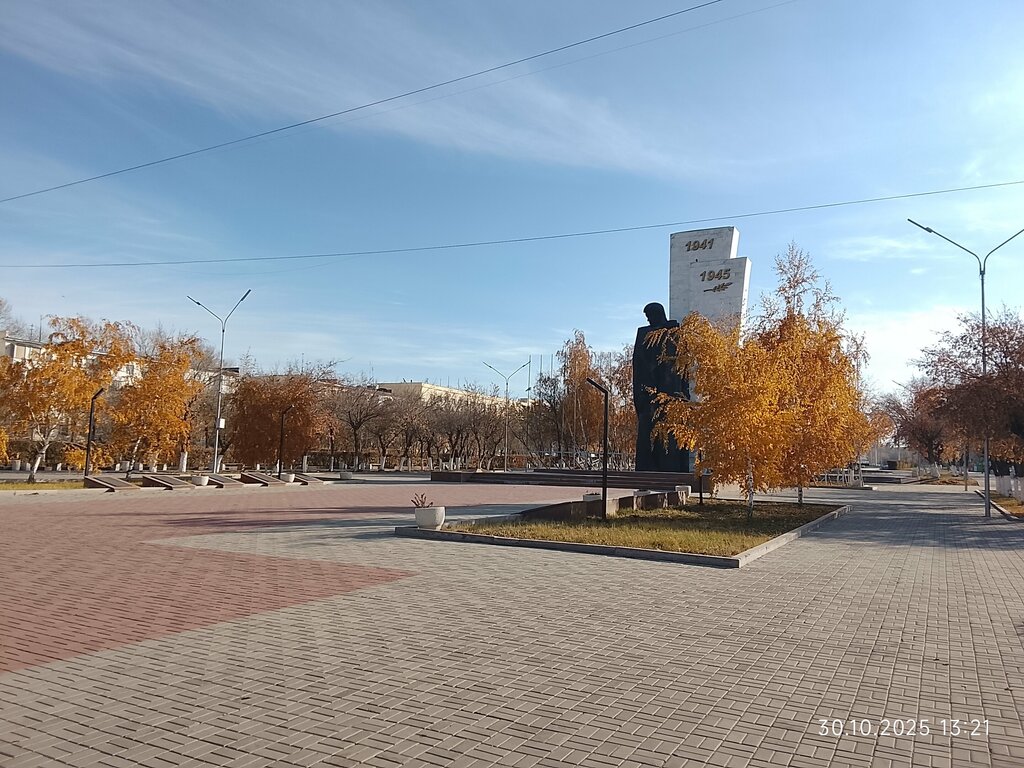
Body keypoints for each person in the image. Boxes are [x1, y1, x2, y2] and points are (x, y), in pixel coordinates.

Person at [632, 302, 689, 472]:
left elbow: (682, 366)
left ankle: (671, 468)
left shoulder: (674, 333)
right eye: (646, 317)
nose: (648, 319)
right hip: (649, 393)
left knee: (670, 436)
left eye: (650, 316)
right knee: (647, 435)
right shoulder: (644, 333)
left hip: (671, 393)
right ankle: (649, 469)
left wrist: (684, 393)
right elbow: (639, 363)